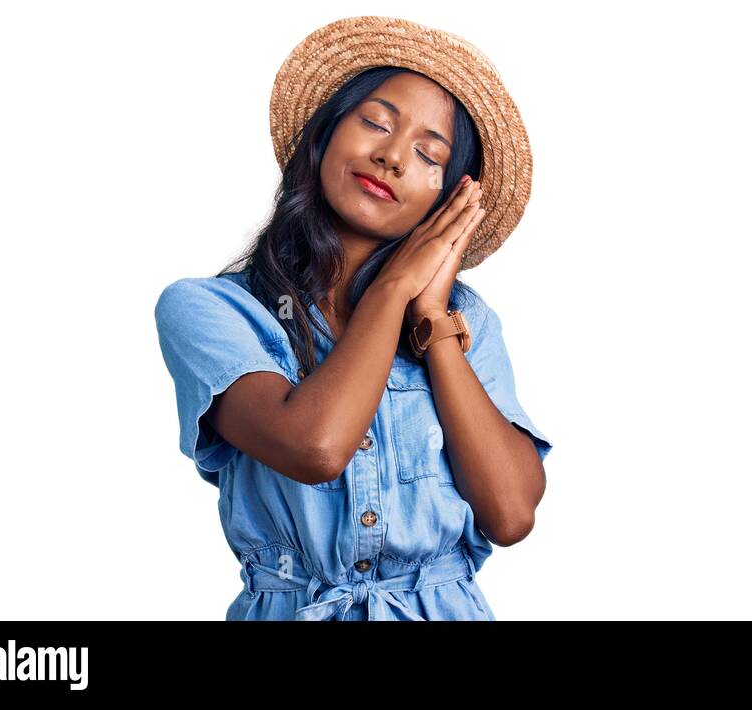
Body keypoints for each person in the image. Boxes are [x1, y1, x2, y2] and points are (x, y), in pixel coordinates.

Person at [153, 16, 552, 621]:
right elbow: (315, 446)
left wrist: (435, 327)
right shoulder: (211, 310)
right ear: (323, 137)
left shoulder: (468, 322)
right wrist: (393, 288)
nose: (391, 156)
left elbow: (510, 513)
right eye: (375, 123)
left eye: (427, 153)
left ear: (449, 199)